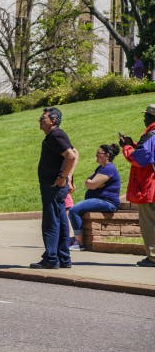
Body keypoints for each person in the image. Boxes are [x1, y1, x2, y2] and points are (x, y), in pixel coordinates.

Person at [31, 107, 78, 269]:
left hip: (53, 186)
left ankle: (51, 258)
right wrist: (68, 177)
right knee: (61, 220)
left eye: (43, 118)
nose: (40, 120)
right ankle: (63, 258)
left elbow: (71, 156)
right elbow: (73, 154)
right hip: (56, 186)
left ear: (53, 120)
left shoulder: (56, 135)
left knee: (51, 222)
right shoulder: (55, 136)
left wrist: (64, 177)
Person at [120, 104, 155, 267]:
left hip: (149, 185)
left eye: (146, 115)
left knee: (149, 223)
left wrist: (126, 147)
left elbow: (141, 159)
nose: (144, 118)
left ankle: (153, 257)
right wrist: (134, 144)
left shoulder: (151, 133)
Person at [68, 144, 121, 250]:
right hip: (100, 200)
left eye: (98, 154)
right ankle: (77, 239)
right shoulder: (101, 168)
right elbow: (88, 183)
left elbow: (91, 185)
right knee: (76, 210)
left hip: (107, 202)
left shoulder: (109, 168)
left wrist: (91, 183)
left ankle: (79, 243)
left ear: (107, 155)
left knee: (74, 210)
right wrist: (91, 182)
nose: (96, 156)